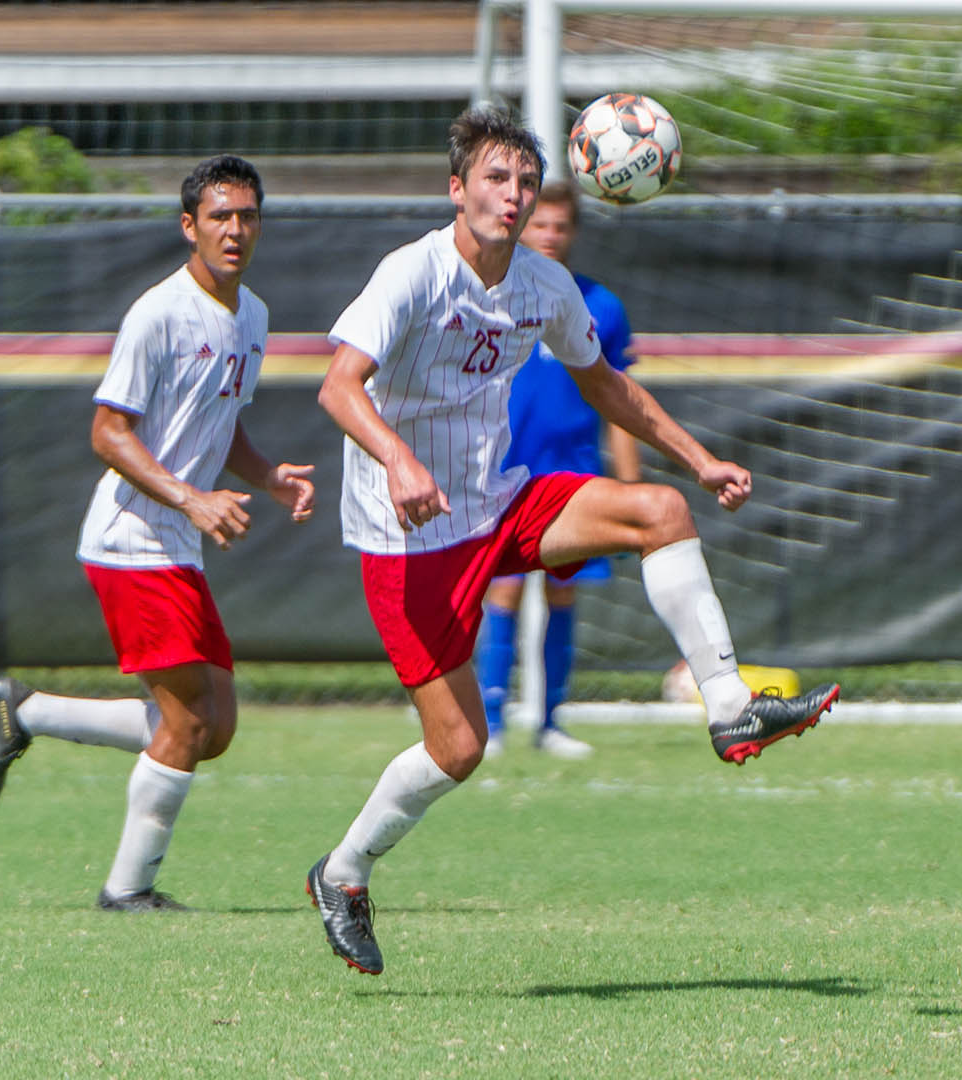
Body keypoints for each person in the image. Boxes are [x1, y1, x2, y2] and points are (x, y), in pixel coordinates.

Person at [305, 108, 839, 975]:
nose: (511, 197)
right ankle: (344, 872)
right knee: (459, 750)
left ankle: (729, 703)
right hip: (406, 538)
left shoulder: (545, 287)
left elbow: (607, 386)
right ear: (457, 189)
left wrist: (701, 460)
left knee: (660, 512)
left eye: (524, 182)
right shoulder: (411, 274)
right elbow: (338, 387)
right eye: (494, 179)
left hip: (499, 500)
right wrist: (398, 461)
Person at [0, 155, 314, 913]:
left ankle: (25, 711)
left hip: (176, 542)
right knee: (188, 721)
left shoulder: (251, 315)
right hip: (132, 538)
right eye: (220, 216)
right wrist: (193, 499)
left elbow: (219, 423)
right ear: (188, 226)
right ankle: (128, 889)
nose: (235, 229)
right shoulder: (158, 312)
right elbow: (107, 433)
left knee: (213, 726)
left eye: (248, 215)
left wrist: (269, 477)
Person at [472, 180, 639, 760]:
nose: (549, 234)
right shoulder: (493, 296)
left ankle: (549, 721)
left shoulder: (601, 307)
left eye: (560, 226)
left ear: (574, 232)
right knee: (504, 589)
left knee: (564, 594)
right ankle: (490, 723)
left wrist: (629, 484)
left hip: (573, 477)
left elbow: (617, 401)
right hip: (505, 473)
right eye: (539, 223)